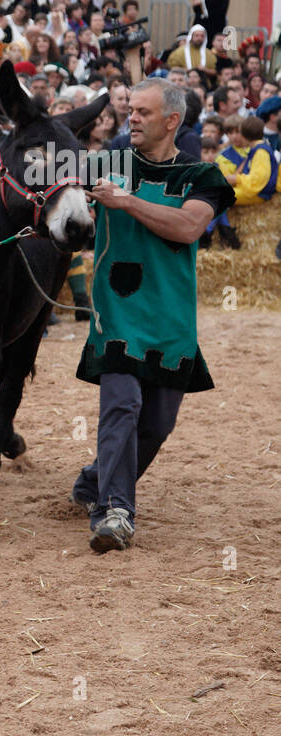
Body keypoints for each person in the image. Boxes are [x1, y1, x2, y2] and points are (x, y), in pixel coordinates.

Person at [71, 77, 234, 553]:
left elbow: (187, 228)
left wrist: (124, 201)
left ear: (172, 121)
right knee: (123, 405)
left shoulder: (203, 177)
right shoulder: (103, 165)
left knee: (158, 424)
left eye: (143, 112)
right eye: (129, 111)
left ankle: (93, 481)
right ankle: (116, 510)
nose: (132, 119)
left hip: (170, 315)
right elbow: (50, 190)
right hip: (117, 309)